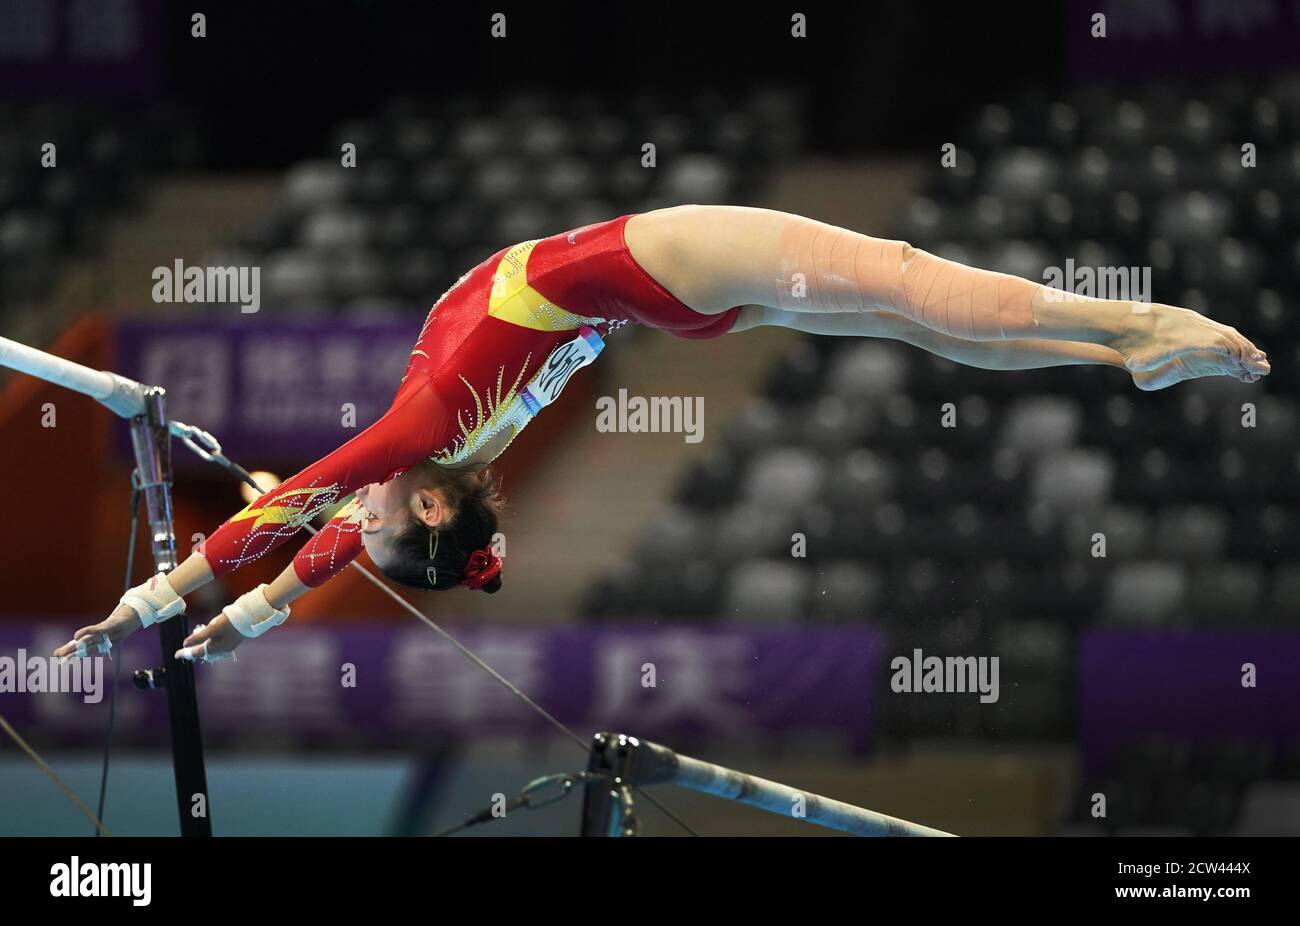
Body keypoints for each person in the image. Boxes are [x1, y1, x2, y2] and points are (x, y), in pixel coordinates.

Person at [55, 205, 1270, 664]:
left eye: (361, 516)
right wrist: (161, 600)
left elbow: (304, 535)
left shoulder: (443, 457)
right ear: (427, 505)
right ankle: (1136, 323)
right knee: (907, 282)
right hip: (654, 261)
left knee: (917, 326)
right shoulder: (428, 436)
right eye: (373, 513)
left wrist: (221, 619)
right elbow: (294, 515)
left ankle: (1124, 347)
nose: (350, 507)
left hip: (663, 302)